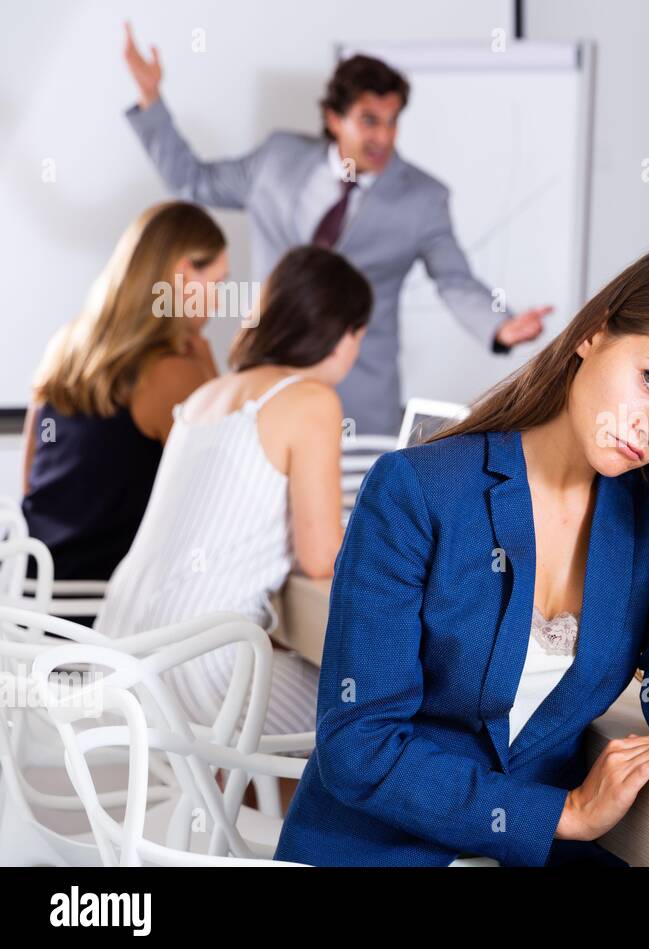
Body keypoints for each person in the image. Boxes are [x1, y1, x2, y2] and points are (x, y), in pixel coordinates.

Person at [273, 236, 649, 867]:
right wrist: (562, 814)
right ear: (592, 334)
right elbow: (357, 744)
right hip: (380, 853)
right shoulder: (416, 489)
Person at [121, 22, 552, 435]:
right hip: (263, 377)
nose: (383, 137)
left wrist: (499, 327)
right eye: (369, 120)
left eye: (392, 120)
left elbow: (454, 280)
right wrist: (151, 99)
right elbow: (193, 181)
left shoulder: (423, 198)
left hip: (361, 399)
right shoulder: (277, 160)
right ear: (333, 118)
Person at [95, 246, 373, 734]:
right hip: (194, 672)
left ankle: (238, 807)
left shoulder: (209, 393)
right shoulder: (310, 399)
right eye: (360, 336)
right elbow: (320, 557)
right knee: (375, 713)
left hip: (120, 649)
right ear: (340, 335)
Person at [21, 201, 224, 609]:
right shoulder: (174, 372)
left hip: (24, 594)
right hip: (102, 612)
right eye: (217, 284)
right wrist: (209, 373)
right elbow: (220, 499)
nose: (219, 303)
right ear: (183, 275)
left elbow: (29, 481)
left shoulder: (66, 345)